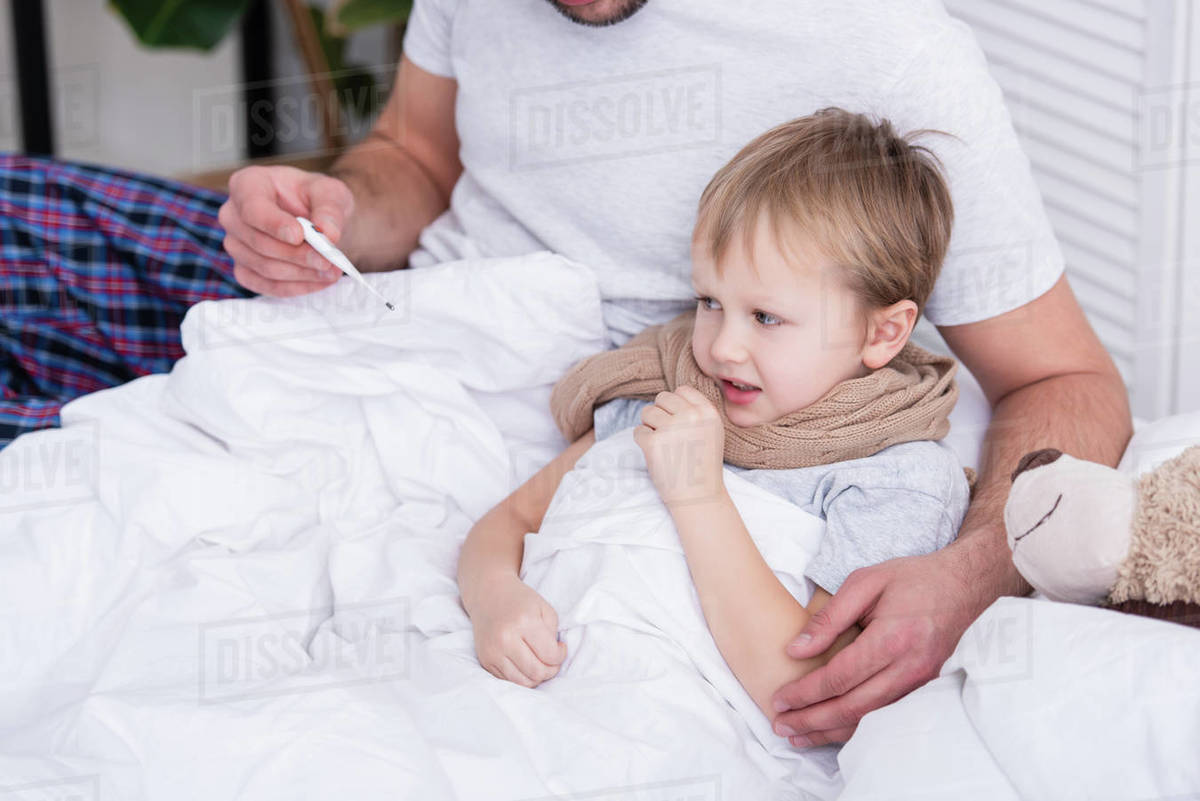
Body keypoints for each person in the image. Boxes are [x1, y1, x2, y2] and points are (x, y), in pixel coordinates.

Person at [0, 0, 1133, 747]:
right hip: (407, 327)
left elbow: (1063, 375)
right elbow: (416, 153)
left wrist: (978, 568)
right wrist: (340, 208)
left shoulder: (881, 45)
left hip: (553, 411)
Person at [457, 108, 974, 724]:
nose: (721, 347)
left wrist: (697, 494)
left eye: (766, 317)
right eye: (709, 301)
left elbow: (807, 687)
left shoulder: (895, 479)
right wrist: (496, 599)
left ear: (883, 332)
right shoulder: (672, 398)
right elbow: (509, 521)